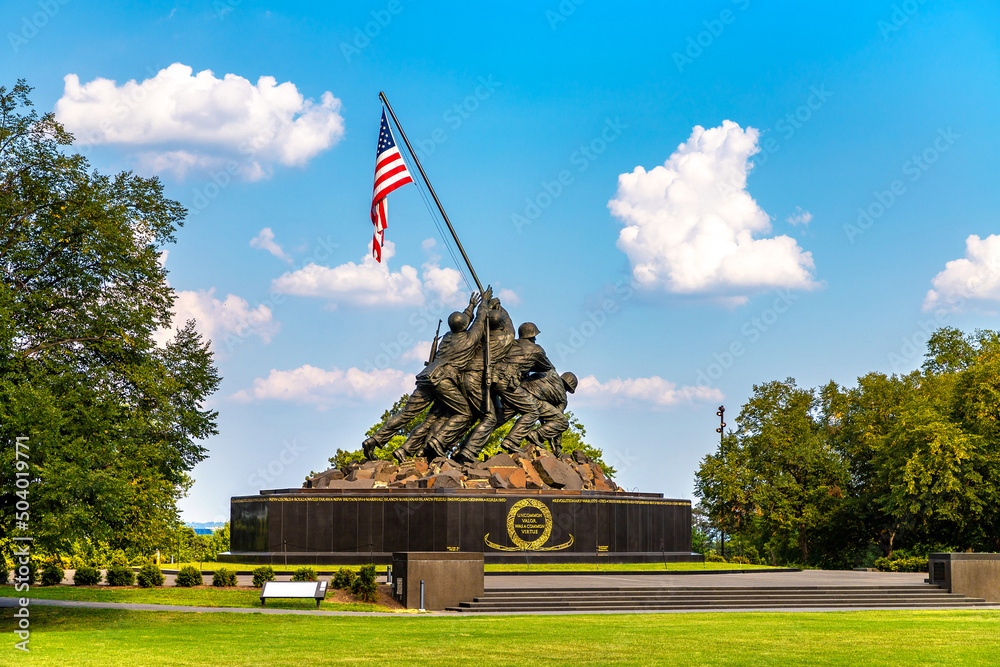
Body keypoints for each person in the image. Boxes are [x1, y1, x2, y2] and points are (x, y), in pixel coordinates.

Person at [361, 288, 491, 460]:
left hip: (426, 377)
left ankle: (374, 440)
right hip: (443, 380)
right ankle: (438, 442)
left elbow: (462, 322)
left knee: (405, 414)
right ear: (464, 326)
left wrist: (470, 306)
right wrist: (484, 302)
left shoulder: (447, 337)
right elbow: (480, 321)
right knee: (465, 413)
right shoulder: (470, 339)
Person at [452, 321, 554, 464]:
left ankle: (465, 449)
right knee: (532, 411)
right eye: (534, 336)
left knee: (496, 416)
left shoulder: (511, 344)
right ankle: (512, 441)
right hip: (507, 382)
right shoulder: (537, 350)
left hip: (492, 380)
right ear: (532, 336)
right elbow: (546, 367)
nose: (535, 338)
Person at [523, 370, 578, 456]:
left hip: (520, 393)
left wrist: (557, 445)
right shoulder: (562, 398)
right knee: (563, 422)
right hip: (534, 404)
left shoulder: (547, 376)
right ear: (568, 388)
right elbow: (559, 421)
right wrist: (557, 445)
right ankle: (536, 434)